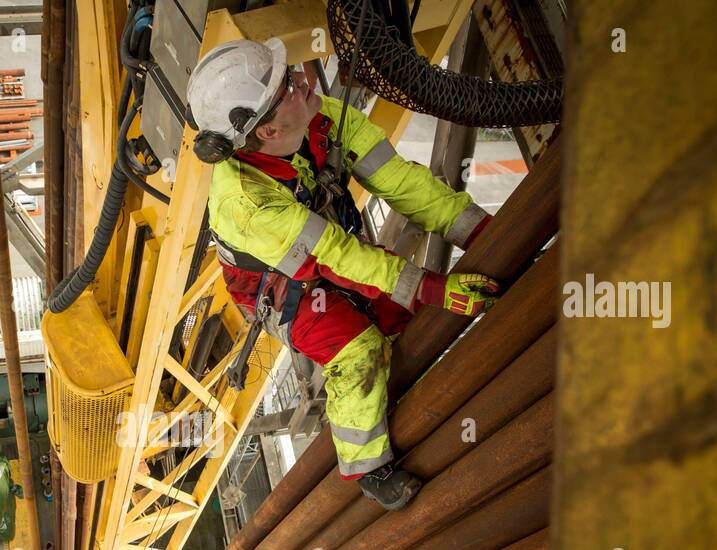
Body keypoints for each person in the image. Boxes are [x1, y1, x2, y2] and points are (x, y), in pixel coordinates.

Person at [186, 38, 500, 509]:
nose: (304, 81)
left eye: (291, 73)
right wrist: (432, 286)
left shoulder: (322, 117)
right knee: (358, 348)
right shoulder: (243, 201)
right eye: (289, 85)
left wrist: (483, 231)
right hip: (281, 287)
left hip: (332, 244)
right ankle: (368, 467)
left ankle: (411, 402)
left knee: (400, 320)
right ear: (267, 130)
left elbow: (401, 182)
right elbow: (335, 257)